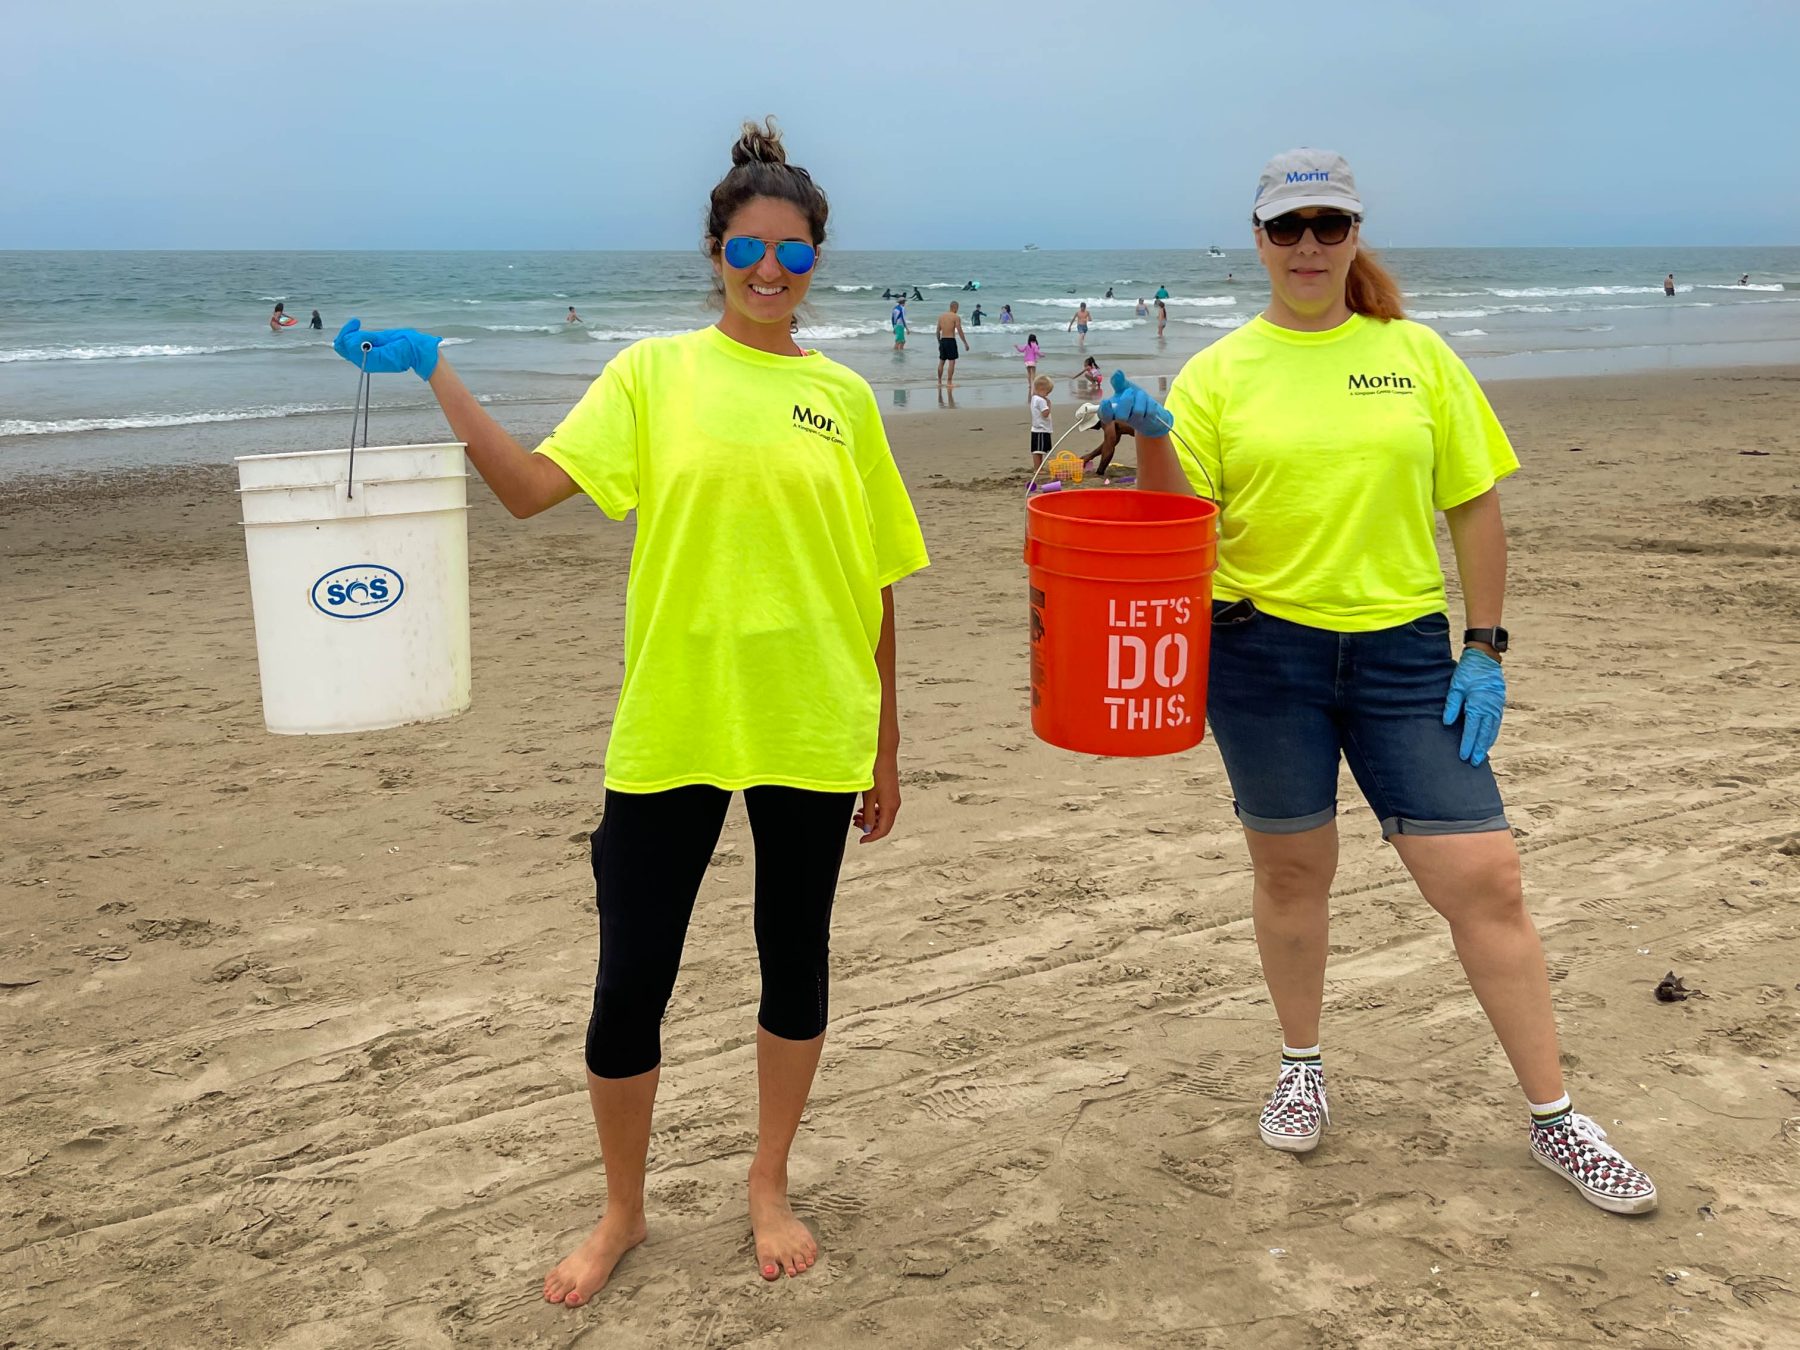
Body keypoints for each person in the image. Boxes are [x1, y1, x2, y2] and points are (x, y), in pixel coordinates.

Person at [330, 117, 931, 1301]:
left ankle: (768, 1181)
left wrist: (888, 746)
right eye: (750, 249)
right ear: (714, 251)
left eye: (796, 254)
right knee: (628, 984)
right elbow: (526, 492)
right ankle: (623, 1210)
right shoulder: (654, 375)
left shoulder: (845, 400)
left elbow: (874, 582)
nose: (772, 272)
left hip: (814, 720)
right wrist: (440, 370)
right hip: (674, 720)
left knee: (793, 964)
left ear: (819, 260)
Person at [1107, 146, 1657, 1217]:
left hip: (1407, 655)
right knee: (1293, 872)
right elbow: (1180, 526)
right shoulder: (1219, 373)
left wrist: (1485, 645)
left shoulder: (1417, 356)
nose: (1308, 246)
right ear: (1256, 238)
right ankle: (1302, 1062)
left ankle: (1558, 1119)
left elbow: (1474, 505)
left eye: (1329, 225)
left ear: (1355, 233)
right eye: (1287, 227)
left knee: (1485, 881)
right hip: (1262, 656)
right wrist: (1153, 438)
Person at [936, 301, 970, 387]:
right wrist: (965, 342)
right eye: (957, 308)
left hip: (943, 340)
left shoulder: (941, 317)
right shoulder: (956, 317)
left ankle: (939, 381)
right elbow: (959, 330)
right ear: (955, 307)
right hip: (951, 340)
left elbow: (937, 331)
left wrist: (939, 342)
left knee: (941, 361)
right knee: (951, 362)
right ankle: (949, 382)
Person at [1028, 374, 1053, 471]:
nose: (1047, 395)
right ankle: (1037, 468)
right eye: (1047, 392)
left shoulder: (1034, 398)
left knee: (1039, 450)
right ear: (1041, 390)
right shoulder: (1041, 401)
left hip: (1036, 428)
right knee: (1038, 451)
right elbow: (1045, 413)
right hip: (1041, 429)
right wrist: (1049, 405)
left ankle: (1039, 468)